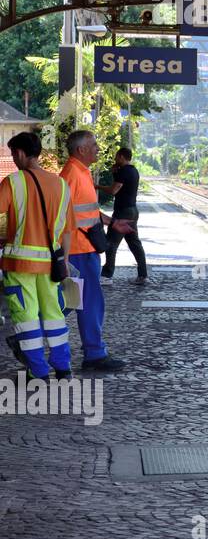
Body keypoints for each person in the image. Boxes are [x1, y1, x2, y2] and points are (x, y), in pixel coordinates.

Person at [0, 133, 73, 380]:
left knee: (27, 317)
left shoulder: (13, 182)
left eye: (13, 154)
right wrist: (66, 262)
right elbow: (67, 230)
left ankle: (38, 371)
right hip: (52, 266)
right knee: (54, 315)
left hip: (20, 264)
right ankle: (63, 368)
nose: (13, 159)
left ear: (20, 153)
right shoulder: (61, 185)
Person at [60, 130, 125, 372]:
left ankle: (30, 333)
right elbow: (61, 216)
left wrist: (110, 222)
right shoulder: (71, 174)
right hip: (78, 251)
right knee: (85, 302)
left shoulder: (81, 172)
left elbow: (86, 210)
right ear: (81, 150)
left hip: (84, 248)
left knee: (74, 302)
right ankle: (94, 354)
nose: (98, 148)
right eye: (94, 145)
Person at [100, 146, 147, 285]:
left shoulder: (124, 171)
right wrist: (115, 173)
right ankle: (143, 275)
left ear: (121, 156)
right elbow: (122, 188)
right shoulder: (133, 171)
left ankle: (106, 276)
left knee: (111, 243)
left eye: (116, 156)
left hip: (123, 212)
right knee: (134, 243)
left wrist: (97, 186)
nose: (115, 159)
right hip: (133, 210)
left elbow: (114, 190)